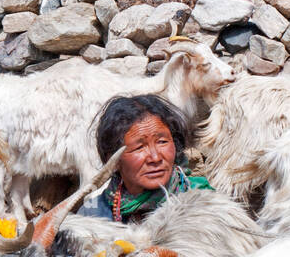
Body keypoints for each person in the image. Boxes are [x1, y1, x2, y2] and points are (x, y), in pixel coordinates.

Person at [78, 94, 211, 223]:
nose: (155, 157)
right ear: (114, 160)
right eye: (139, 147)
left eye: (162, 142)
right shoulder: (93, 216)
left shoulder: (206, 204)